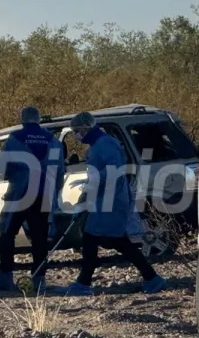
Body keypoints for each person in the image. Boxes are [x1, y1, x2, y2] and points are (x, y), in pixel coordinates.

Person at [64, 111, 166, 296]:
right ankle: (151, 277)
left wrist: (93, 181)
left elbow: (114, 170)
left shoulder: (106, 143)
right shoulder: (96, 146)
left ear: (87, 127)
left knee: (95, 239)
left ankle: (83, 283)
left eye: (78, 131)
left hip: (113, 201)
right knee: (115, 240)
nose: (77, 135)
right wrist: (82, 202)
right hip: (104, 201)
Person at [0, 106, 65, 292]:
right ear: (38, 119)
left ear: (22, 119)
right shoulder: (53, 140)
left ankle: (5, 275)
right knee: (40, 238)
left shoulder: (15, 138)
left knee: (7, 233)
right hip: (44, 194)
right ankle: (39, 278)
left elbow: (3, 166)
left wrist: (13, 177)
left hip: (20, 193)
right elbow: (60, 170)